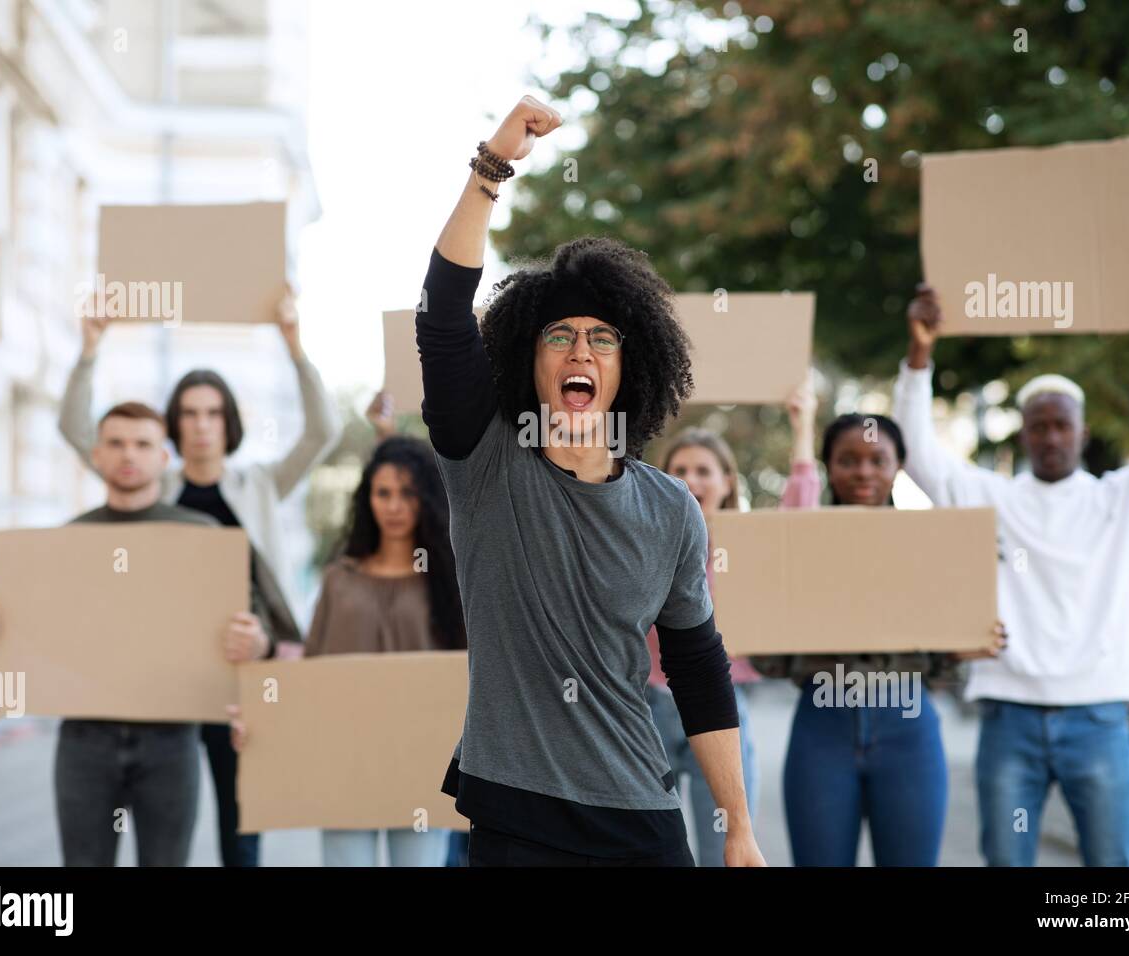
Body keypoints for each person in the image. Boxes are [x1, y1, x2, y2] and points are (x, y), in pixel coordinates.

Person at [414, 95, 764, 867]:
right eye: (560, 336)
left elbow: (699, 670)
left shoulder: (671, 508)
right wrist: (491, 168)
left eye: (602, 339)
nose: (581, 350)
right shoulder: (485, 460)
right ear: (528, 362)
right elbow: (441, 317)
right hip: (517, 822)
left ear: (627, 370)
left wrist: (737, 826)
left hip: (642, 815)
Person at [893, 278, 1129, 866]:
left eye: (1061, 425)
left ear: (1082, 433)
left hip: (1097, 719)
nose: (1050, 436)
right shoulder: (988, 495)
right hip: (1008, 719)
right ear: (1025, 433)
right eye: (1039, 425)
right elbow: (914, 450)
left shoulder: (1123, 498)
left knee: (1109, 877)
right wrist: (919, 358)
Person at [56, 288, 340, 867]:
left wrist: (294, 346)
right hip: (172, 679)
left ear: (228, 421)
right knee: (171, 820)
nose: (201, 425)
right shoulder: (149, 482)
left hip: (242, 670)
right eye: (188, 412)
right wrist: (89, 352)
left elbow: (321, 434)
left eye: (212, 412)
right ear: (172, 426)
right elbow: (79, 432)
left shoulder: (257, 485)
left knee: (243, 825)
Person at [0, 402, 281, 866]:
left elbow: (257, 626)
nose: (128, 454)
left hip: (172, 741)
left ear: (164, 458)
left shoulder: (203, 536)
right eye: (116, 443)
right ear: (96, 455)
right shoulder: (67, 540)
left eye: (142, 443)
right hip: (83, 741)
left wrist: (255, 642)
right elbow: (28, 633)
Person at [773, 389, 1004, 866]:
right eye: (848, 460)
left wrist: (966, 645)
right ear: (828, 466)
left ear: (899, 465)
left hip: (907, 723)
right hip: (823, 722)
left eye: (878, 460)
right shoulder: (795, 548)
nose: (863, 472)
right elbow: (766, 654)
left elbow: (945, 660)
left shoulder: (929, 548)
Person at [644, 404, 817, 865]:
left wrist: (803, 427)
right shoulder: (644, 543)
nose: (691, 480)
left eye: (704, 471)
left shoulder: (746, 548)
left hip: (720, 714)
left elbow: (799, 521)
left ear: (727, 483)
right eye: (679, 471)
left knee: (730, 846)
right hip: (646, 713)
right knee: (647, 850)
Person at [303, 434, 466, 866]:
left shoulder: (450, 579)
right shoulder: (340, 578)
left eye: (408, 493)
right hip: (345, 759)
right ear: (367, 498)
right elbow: (311, 669)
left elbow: (469, 674)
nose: (394, 506)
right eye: (383, 493)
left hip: (423, 764)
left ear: (427, 498)